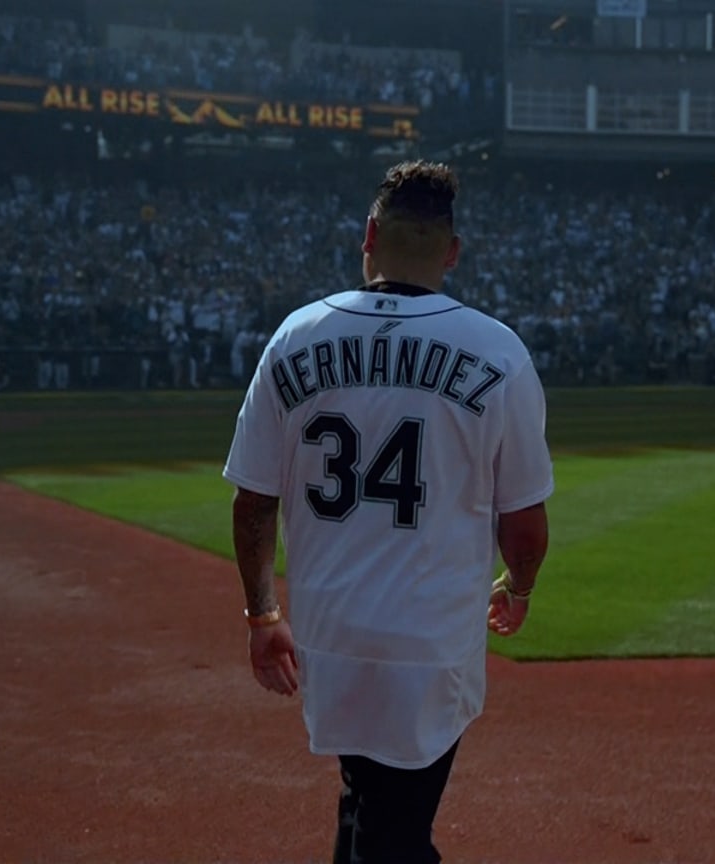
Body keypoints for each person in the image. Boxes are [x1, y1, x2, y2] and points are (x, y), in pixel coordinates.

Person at [222, 160, 553, 864]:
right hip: (430, 647)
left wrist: (261, 614)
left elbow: (253, 501)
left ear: (369, 235)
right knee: (395, 837)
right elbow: (525, 528)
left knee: (366, 807)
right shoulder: (499, 352)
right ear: (452, 252)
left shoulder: (296, 336)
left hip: (329, 638)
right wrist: (519, 587)